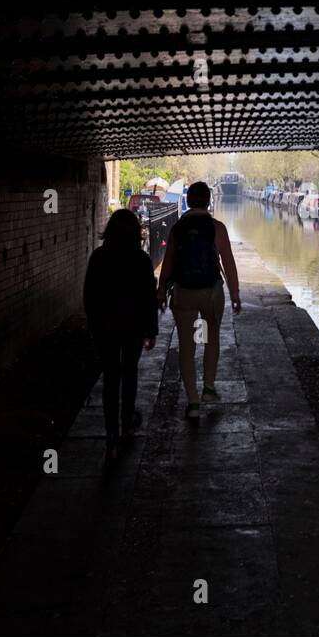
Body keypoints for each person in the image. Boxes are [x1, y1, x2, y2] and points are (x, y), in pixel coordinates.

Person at [157, 181, 242, 418]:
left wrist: (161, 289)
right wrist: (235, 293)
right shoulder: (217, 227)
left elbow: (169, 261)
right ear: (208, 201)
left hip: (184, 294)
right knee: (210, 339)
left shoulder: (178, 228)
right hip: (211, 294)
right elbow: (229, 262)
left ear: (187, 200)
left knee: (187, 346)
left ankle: (193, 401)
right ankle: (208, 387)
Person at [83, 209, 159, 460]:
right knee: (129, 373)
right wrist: (151, 331)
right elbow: (149, 298)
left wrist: (94, 326)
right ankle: (127, 420)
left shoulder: (98, 257)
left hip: (106, 327)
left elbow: (90, 296)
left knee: (110, 379)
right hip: (133, 326)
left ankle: (111, 435)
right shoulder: (141, 259)